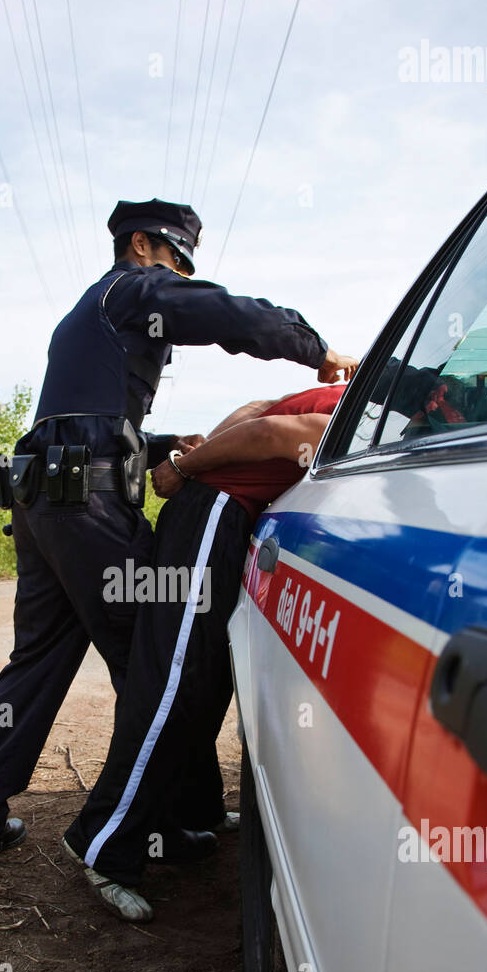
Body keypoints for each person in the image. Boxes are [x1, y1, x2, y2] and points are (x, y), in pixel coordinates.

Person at [0, 196, 356, 871]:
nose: (180, 280)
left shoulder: (90, 315)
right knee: (165, 653)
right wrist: (312, 348)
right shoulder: (130, 290)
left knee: (37, 664)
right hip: (87, 508)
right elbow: (224, 313)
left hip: (43, 501)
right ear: (141, 246)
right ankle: (173, 815)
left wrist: (160, 441)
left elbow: (81, 417)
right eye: (175, 263)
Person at [61, 382, 353, 922]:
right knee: (174, 679)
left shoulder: (334, 392)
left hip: (217, 514)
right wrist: (188, 465)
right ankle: (101, 843)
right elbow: (267, 430)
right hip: (212, 513)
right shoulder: (352, 410)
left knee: (205, 679)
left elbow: (256, 409)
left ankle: (174, 818)